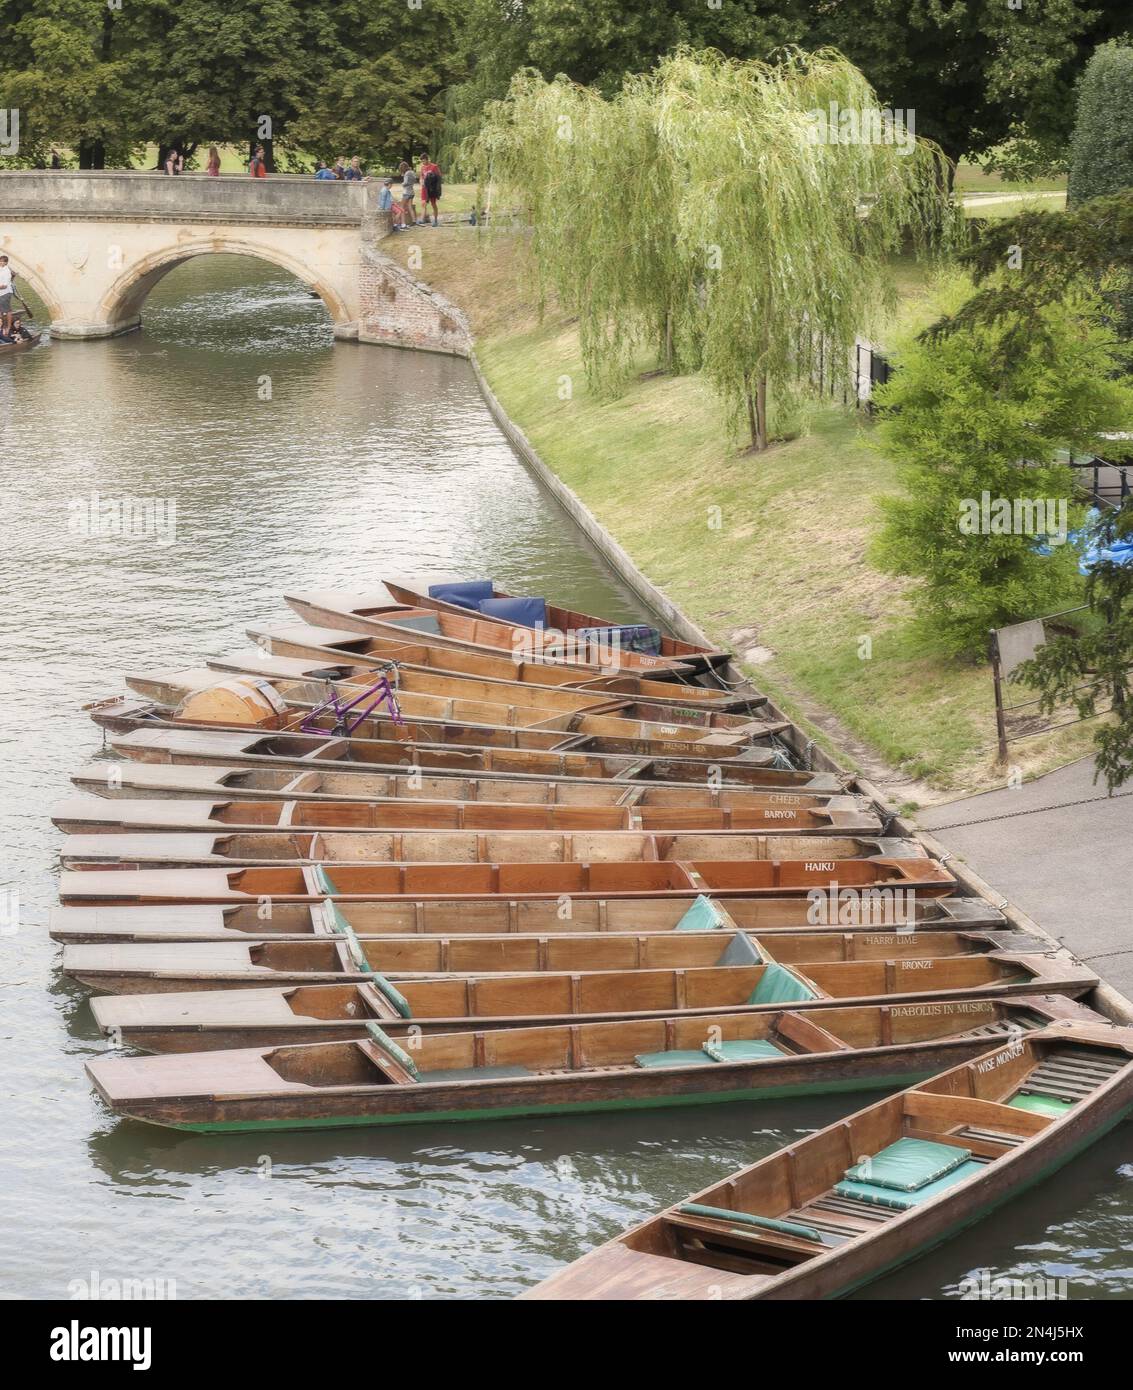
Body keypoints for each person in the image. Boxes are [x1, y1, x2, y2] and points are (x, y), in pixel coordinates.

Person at [419, 155, 442, 226]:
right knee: (423, 203)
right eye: (422, 161)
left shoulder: (434, 166)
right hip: (424, 188)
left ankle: (435, 220)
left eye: (424, 161)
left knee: (433, 204)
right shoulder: (422, 167)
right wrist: (421, 181)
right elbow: (421, 177)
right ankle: (422, 219)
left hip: (432, 189)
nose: (423, 162)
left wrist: (437, 188)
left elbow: (439, 177)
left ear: (427, 159)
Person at [398, 160, 417, 225]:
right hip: (412, 192)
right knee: (410, 207)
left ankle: (403, 223)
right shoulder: (412, 172)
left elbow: (405, 183)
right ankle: (414, 221)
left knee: (401, 207)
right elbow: (414, 180)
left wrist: (402, 184)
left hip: (406, 192)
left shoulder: (406, 173)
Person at [0, 254, 13, 338]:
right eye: (0, 261)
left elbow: (4, 286)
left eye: (3, 262)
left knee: (7, 310)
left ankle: (8, 327)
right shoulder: (1, 269)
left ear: (6, 263)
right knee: (1, 311)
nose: (1, 263)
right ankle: (2, 327)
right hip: (0, 293)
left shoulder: (7, 271)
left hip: (5, 293)